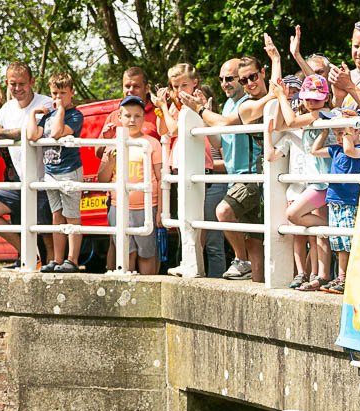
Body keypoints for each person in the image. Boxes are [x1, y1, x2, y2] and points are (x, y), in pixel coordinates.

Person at [183, 39, 282, 283]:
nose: (248, 83)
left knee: (224, 211)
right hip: (238, 177)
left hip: (253, 178)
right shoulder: (233, 103)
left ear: (261, 74)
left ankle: (241, 259)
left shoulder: (249, 104)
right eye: (244, 79)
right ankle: (256, 286)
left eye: (250, 78)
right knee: (254, 240)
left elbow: (228, 122)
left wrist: (200, 112)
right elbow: (220, 141)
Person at [0, 60, 54, 266]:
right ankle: (28, 252)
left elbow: (26, 132)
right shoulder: (8, 108)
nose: (17, 88)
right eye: (13, 84)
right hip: (20, 182)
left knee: (47, 234)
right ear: (7, 84)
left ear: (32, 82)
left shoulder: (46, 103)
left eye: (22, 83)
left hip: (45, 181)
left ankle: (47, 267)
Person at [95, 66, 166, 273]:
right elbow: (102, 171)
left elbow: (161, 174)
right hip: (119, 203)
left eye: (136, 86)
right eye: (127, 85)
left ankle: (150, 293)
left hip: (147, 204)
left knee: (147, 251)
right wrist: (108, 149)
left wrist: (162, 209)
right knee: (122, 249)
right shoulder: (113, 126)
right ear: (120, 116)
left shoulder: (152, 135)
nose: (132, 120)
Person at [160, 63, 226, 278]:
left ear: (194, 83)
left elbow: (174, 128)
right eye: (175, 86)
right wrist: (165, 107)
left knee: (201, 224)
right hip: (182, 166)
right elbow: (165, 131)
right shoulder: (177, 106)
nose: (180, 91)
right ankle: (189, 262)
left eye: (184, 85)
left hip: (199, 167)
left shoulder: (197, 104)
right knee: (186, 220)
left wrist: (164, 108)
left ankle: (203, 268)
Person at [269, 73, 333, 291]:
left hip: (323, 182)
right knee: (316, 230)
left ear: (326, 98)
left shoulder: (323, 114)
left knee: (294, 215)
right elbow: (280, 125)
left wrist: (281, 97)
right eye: (308, 98)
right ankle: (322, 275)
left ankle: (331, 234)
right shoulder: (312, 115)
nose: (312, 102)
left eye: (317, 97)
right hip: (316, 182)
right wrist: (281, 99)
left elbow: (292, 121)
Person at [29, 72, 85, 273]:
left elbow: (56, 133)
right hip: (51, 172)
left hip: (69, 171)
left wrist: (60, 109)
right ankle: (58, 259)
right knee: (57, 216)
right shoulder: (48, 116)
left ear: (71, 92)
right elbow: (32, 135)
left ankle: (72, 259)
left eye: (62, 93)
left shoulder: (75, 115)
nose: (58, 97)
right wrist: (32, 115)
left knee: (72, 216)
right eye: (54, 94)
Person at [314, 117, 360, 294]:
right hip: (334, 200)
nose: (339, 138)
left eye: (342, 134)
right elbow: (314, 151)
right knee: (338, 243)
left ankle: (345, 278)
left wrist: (349, 130)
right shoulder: (336, 150)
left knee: (348, 242)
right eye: (338, 134)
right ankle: (341, 276)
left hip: (349, 202)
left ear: (357, 133)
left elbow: (349, 150)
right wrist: (325, 132)